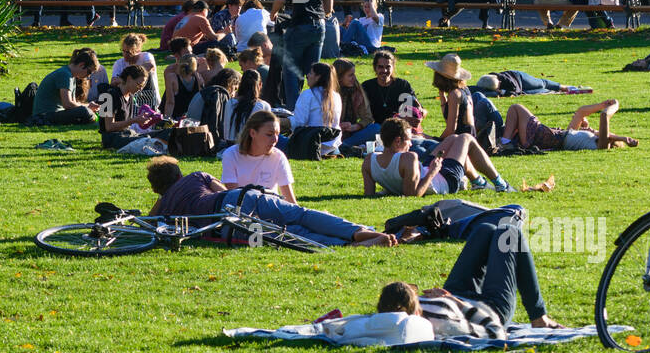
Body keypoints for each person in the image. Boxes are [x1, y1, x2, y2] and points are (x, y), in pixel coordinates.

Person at [380, 204, 566, 330]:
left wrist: (446, 297)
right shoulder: (439, 323)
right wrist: (455, 302)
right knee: (509, 233)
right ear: (416, 312)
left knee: (485, 229)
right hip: (490, 309)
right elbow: (492, 330)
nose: (417, 292)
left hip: (455, 295)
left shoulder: (397, 310)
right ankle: (539, 317)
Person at [147, 156, 399, 247]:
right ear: (178, 173)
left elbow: (147, 220)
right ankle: (358, 232)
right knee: (301, 214)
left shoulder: (165, 207)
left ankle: (347, 245)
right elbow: (220, 189)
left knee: (288, 233)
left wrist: (162, 199)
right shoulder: (194, 176)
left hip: (226, 223)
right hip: (237, 199)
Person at [363, 117, 509, 196]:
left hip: (428, 169)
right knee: (465, 138)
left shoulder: (369, 160)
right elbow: (413, 194)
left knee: (453, 139)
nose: (411, 144)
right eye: (408, 140)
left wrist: (389, 189)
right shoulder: (409, 158)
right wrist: (433, 171)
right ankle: (500, 183)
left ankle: (478, 182)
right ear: (397, 141)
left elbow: (369, 194)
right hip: (444, 180)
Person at [271, 0, 333, 105]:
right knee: (314, 73)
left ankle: (294, 110)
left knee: (290, 71)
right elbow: (329, 8)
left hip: (299, 24)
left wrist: (273, 13)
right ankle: (317, 107)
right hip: (319, 26)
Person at [221, 111, 299, 203]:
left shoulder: (278, 157)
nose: (275, 140)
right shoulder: (231, 155)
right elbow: (234, 196)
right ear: (253, 133)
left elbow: (290, 200)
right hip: (241, 212)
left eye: (277, 134)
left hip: (271, 211)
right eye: (269, 134)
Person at [502, 98, 638, 151]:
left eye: (595, 131)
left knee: (516, 108)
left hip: (545, 137)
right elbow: (580, 112)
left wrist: (623, 138)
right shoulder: (574, 139)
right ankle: (504, 141)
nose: (592, 129)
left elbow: (604, 118)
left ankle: (504, 144)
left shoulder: (600, 145)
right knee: (512, 117)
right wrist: (602, 104)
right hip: (547, 137)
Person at [95, 64, 166, 149]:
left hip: (128, 134)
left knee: (164, 133)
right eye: (139, 84)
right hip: (113, 138)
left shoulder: (131, 96)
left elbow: (127, 124)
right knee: (147, 140)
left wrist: (141, 120)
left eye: (142, 86)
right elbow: (109, 127)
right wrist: (134, 120)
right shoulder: (108, 96)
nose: (140, 89)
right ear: (129, 79)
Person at [32, 48, 100, 125]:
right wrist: (88, 107)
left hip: (52, 114)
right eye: (89, 72)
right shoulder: (65, 75)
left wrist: (88, 106)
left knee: (85, 111)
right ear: (82, 65)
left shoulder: (71, 76)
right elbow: (67, 104)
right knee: (84, 112)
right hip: (43, 117)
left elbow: (73, 103)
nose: (88, 76)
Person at [291, 61, 342, 157]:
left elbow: (298, 123)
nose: (307, 76)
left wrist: (280, 122)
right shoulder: (336, 96)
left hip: (310, 144)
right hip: (332, 144)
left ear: (318, 77)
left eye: (310, 73)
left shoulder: (308, 94)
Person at [333, 59, 379, 150]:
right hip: (332, 131)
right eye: (350, 75)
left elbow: (368, 118)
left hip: (351, 133)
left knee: (376, 128)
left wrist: (356, 126)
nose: (354, 78)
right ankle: (340, 146)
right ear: (339, 77)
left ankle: (344, 146)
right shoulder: (329, 93)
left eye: (354, 74)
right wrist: (338, 126)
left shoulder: (356, 90)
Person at [361, 50, 416, 126]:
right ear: (375, 68)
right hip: (374, 129)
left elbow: (418, 109)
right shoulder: (367, 86)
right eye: (380, 67)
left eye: (388, 67)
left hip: (398, 128)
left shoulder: (402, 85)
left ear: (393, 67)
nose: (384, 70)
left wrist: (421, 113)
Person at [112, 32, 159, 109]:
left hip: (148, 98)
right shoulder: (119, 63)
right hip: (128, 102)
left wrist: (127, 77)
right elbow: (113, 82)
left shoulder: (146, 56)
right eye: (123, 51)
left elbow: (150, 66)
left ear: (138, 50)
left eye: (129, 52)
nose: (125, 55)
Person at [225, 69, 272, 144]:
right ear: (260, 85)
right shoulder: (264, 106)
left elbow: (226, 132)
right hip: (253, 146)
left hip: (230, 145)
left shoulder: (230, 103)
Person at [474, 70, 591, 96]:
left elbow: (515, 92)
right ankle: (567, 92)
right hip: (521, 89)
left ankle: (566, 88)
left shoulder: (506, 80)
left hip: (520, 79)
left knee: (541, 84)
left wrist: (503, 92)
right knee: (538, 92)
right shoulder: (484, 85)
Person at [162, 54, 201, 120]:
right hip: (192, 119)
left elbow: (170, 102)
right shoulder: (199, 78)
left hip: (175, 117)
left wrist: (166, 119)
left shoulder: (172, 77)